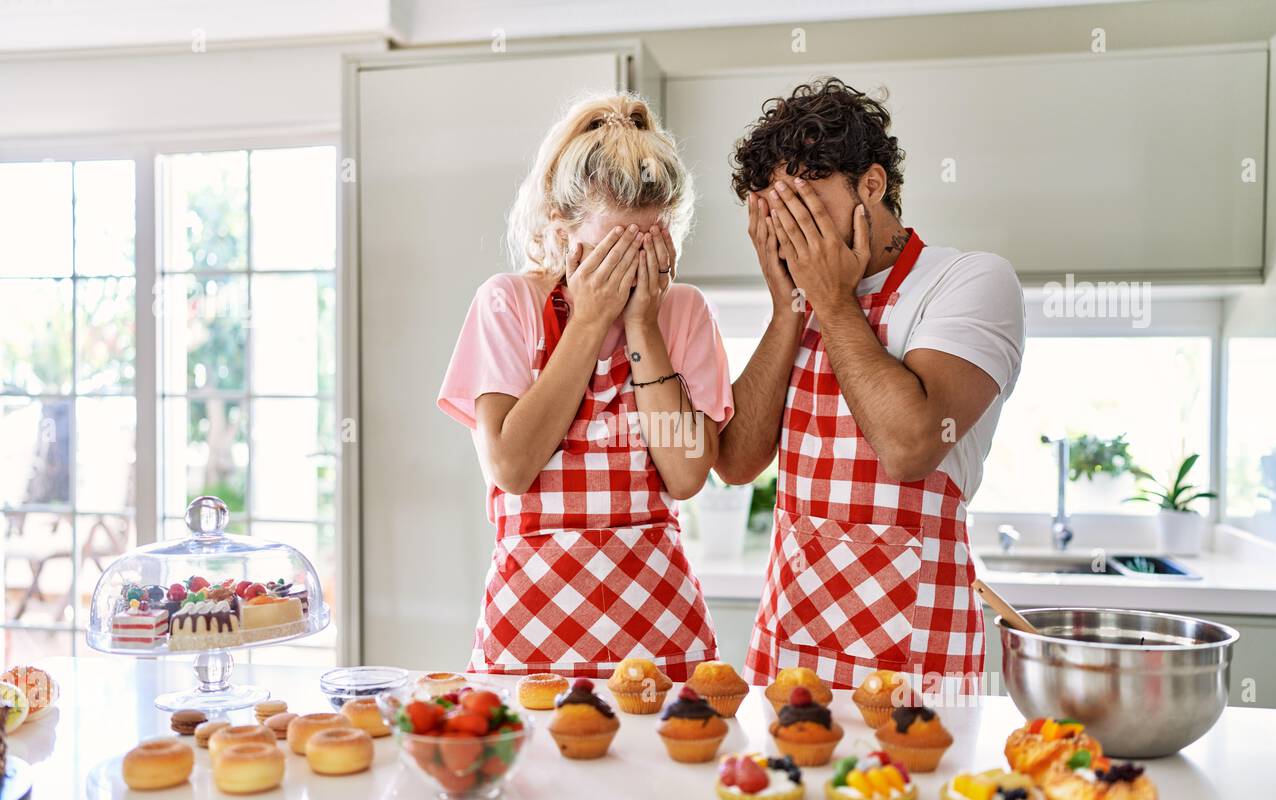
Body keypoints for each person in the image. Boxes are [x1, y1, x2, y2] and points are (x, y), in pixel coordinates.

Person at [718, 78, 1025, 689]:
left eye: (806, 202)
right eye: (776, 213)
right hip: (790, 644)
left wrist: (829, 303)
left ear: (872, 184)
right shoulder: (803, 301)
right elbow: (735, 462)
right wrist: (787, 310)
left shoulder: (968, 282)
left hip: (915, 652)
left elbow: (910, 446)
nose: (792, 228)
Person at [437, 91, 733, 678]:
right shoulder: (509, 305)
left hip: (659, 622)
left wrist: (643, 321)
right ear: (562, 231)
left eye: (650, 244)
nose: (634, 267)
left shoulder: (682, 311)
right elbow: (511, 465)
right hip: (531, 627)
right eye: (616, 246)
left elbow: (686, 473)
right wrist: (593, 319)